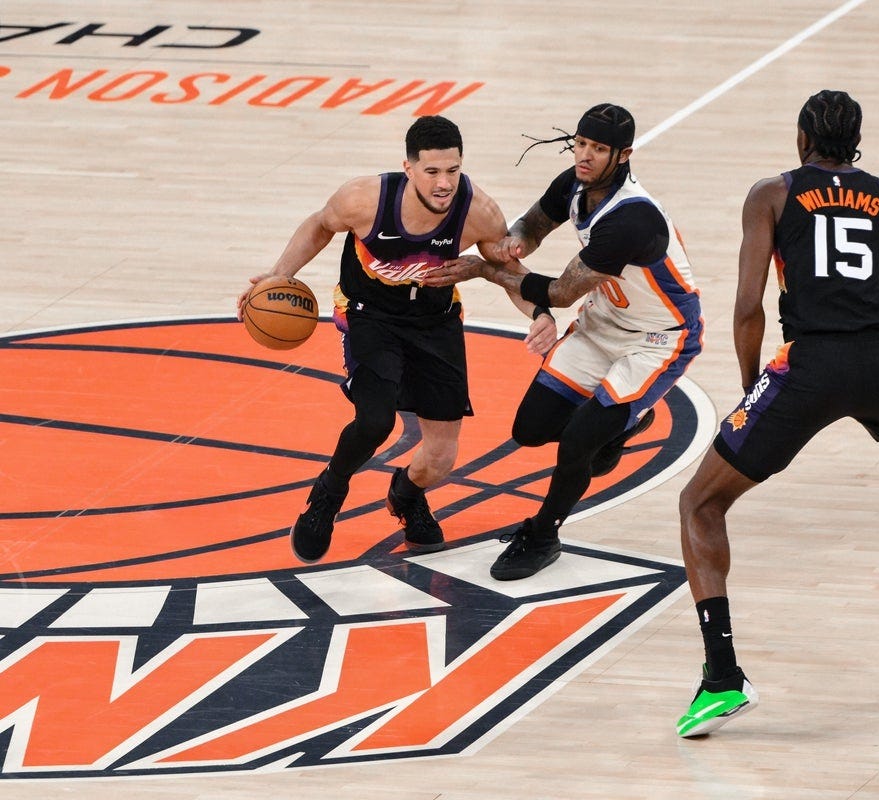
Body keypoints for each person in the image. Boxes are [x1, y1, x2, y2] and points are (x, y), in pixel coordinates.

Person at [673, 90, 879, 738]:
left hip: (809, 368)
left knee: (700, 503)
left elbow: (748, 307)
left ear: (802, 139)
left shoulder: (772, 195)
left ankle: (722, 677)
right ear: (856, 142)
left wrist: (751, 388)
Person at [237, 115, 556, 564]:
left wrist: (540, 312)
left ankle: (405, 494)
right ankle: (329, 492)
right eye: (432, 171)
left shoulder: (478, 212)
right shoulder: (363, 199)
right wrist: (278, 274)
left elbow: (508, 271)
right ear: (408, 168)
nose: (444, 183)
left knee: (441, 457)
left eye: (453, 170)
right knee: (375, 420)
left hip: (435, 320)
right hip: (370, 315)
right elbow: (320, 225)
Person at [425, 103, 704, 581]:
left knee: (577, 444)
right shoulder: (573, 184)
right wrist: (511, 243)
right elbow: (532, 226)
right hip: (604, 322)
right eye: (581, 144)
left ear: (624, 155)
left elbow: (558, 293)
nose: (585, 156)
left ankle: (544, 533)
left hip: (658, 338)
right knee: (530, 429)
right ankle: (620, 424)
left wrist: (485, 270)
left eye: (599, 149)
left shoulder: (632, 219)